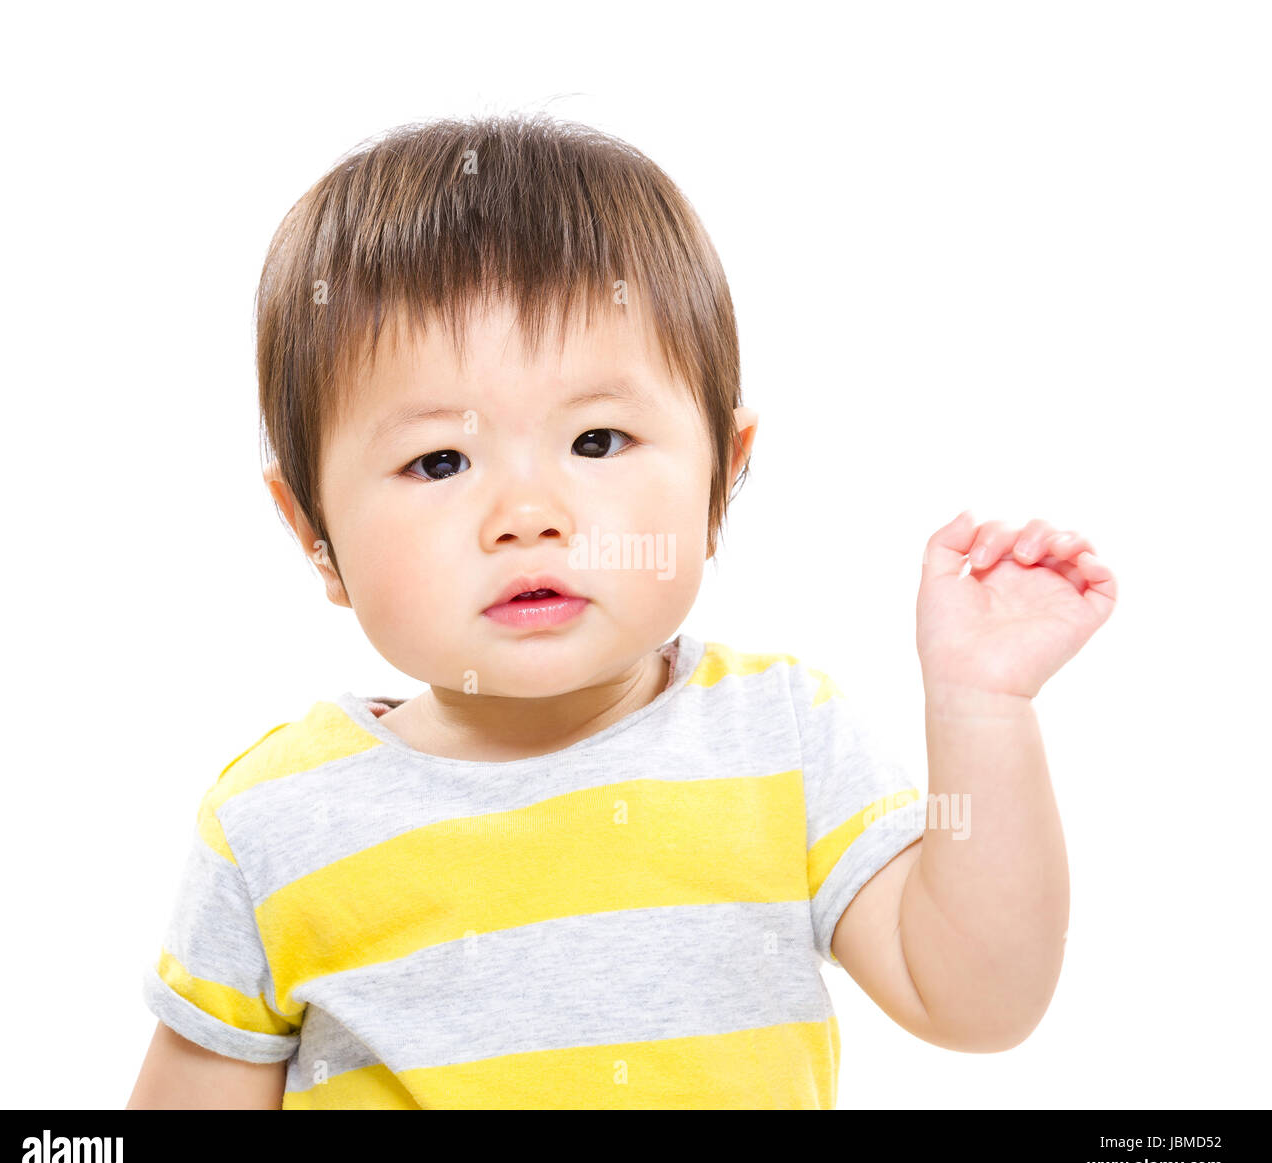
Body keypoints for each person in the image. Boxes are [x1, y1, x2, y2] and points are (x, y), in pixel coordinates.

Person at [127, 113, 1116, 1109]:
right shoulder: (274, 823)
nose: (527, 516)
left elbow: (982, 1003)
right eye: (439, 461)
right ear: (315, 535)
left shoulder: (778, 743)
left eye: (596, 442)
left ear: (721, 479)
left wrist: (982, 707)